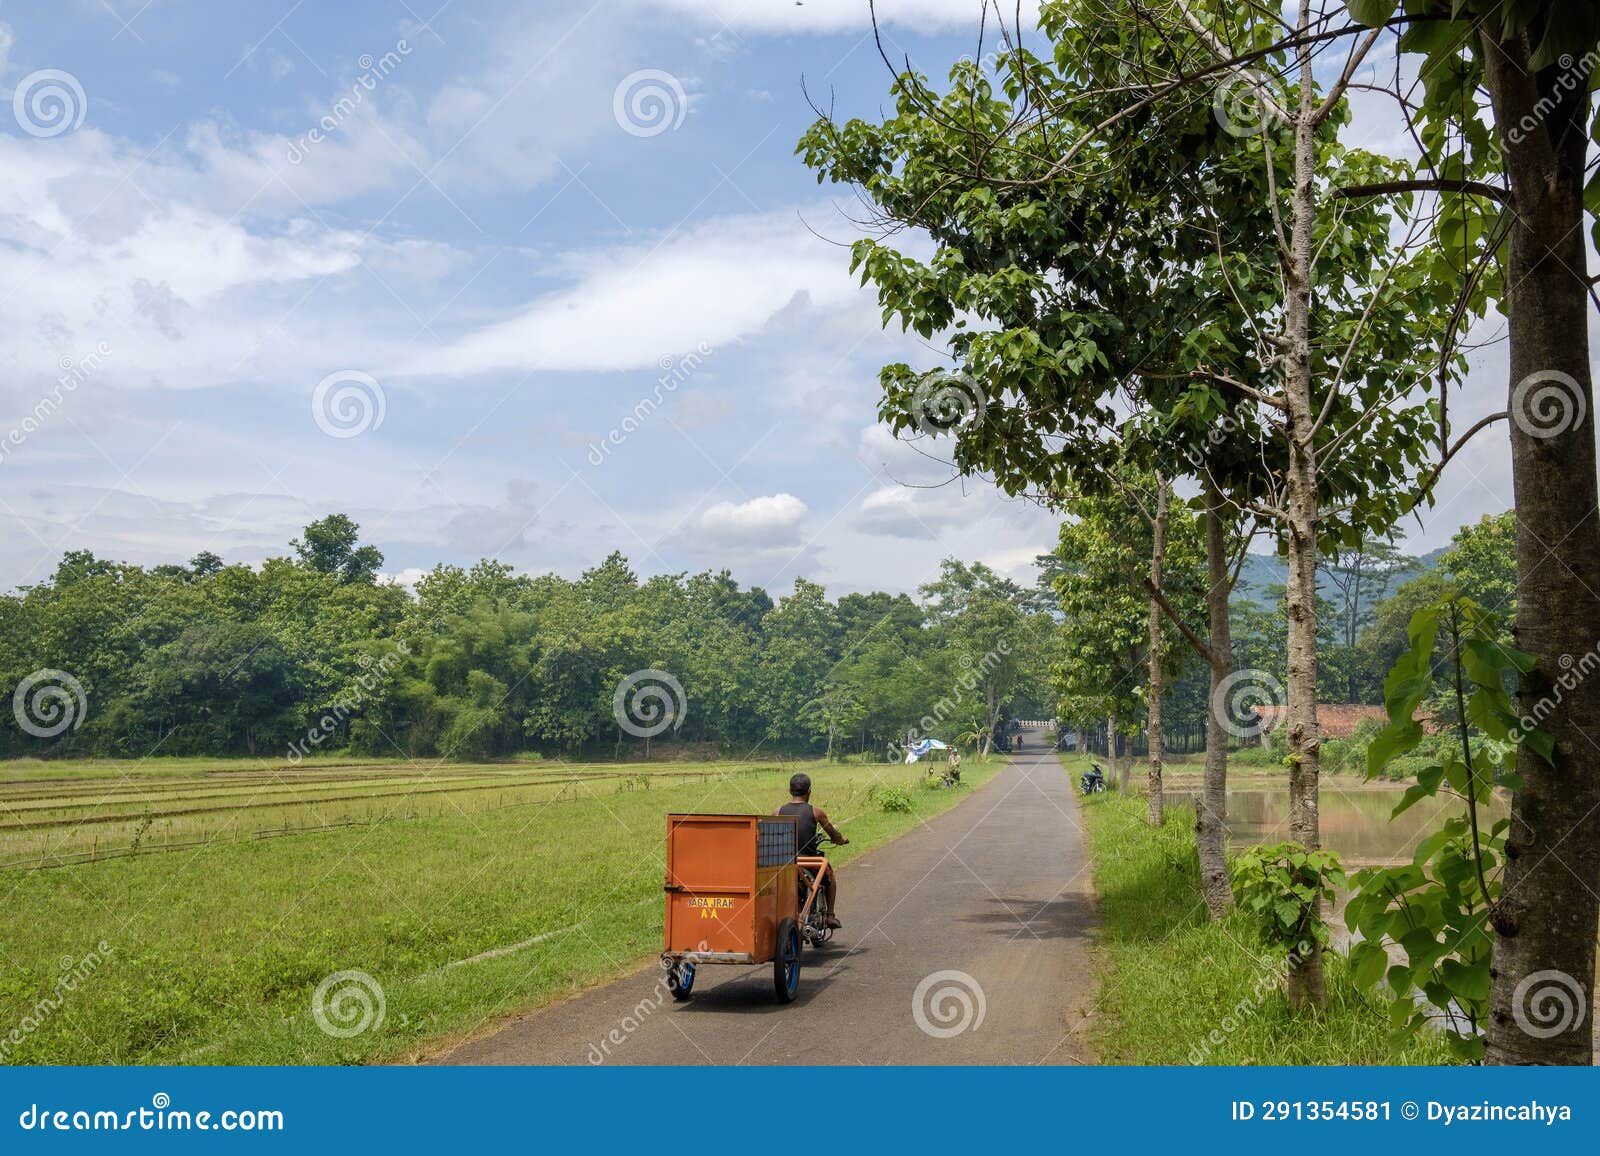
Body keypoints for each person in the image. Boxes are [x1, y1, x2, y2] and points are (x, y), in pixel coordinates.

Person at [776, 772, 847, 928]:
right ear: (809, 791)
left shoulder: (778, 812)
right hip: (809, 862)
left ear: (789, 791)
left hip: (785, 863)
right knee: (830, 877)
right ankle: (830, 915)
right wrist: (841, 840)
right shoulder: (816, 812)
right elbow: (833, 834)